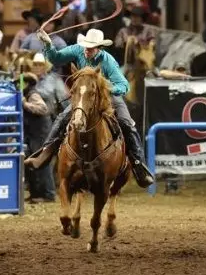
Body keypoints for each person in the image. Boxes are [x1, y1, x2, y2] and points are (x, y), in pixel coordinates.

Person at [24, 28, 154, 188]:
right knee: (62, 118)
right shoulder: (78, 50)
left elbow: (124, 85)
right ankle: (43, 154)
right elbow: (56, 58)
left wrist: (106, 87)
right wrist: (48, 45)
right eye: (86, 46)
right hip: (85, 97)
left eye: (91, 47)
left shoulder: (108, 61)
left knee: (127, 123)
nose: (87, 49)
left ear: (99, 48)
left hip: (107, 97)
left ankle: (138, 165)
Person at [20, 72, 55, 203]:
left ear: (27, 83)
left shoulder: (33, 95)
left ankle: (48, 194)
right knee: (31, 161)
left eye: (21, 82)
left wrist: (25, 104)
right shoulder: (28, 94)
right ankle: (35, 193)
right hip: (33, 133)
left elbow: (42, 109)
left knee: (43, 162)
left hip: (41, 133)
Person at [29, 53, 69, 120]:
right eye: (35, 65)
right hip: (31, 120)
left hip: (50, 119)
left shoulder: (53, 79)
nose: (37, 67)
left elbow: (64, 99)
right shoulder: (29, 80)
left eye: (40, 65)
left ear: (44, 67)